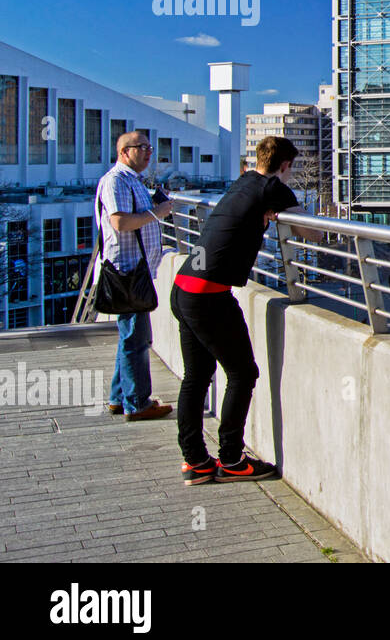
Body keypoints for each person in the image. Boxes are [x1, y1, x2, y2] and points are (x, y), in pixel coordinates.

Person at [171, 137, 323, 485]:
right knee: (243, 374)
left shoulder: (244, 182)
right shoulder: (274, 188)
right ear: (285, 166)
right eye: (291, 167)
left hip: (184, 286)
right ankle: (232, 459)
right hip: (209, 296)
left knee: (196, 378)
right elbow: (311, 232)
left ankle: (195, 461)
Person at [96, 131, 173, 421]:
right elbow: (120, 221)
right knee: (136, 340)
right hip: (126, 269)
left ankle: (119, 398)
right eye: (142, 147)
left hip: (136, 268)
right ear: (124, 151)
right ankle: (138, 403)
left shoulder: (132, 181)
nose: (148, 152)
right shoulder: (116, 181)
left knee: (130, 335)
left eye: (149, 147)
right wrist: (157, 212)